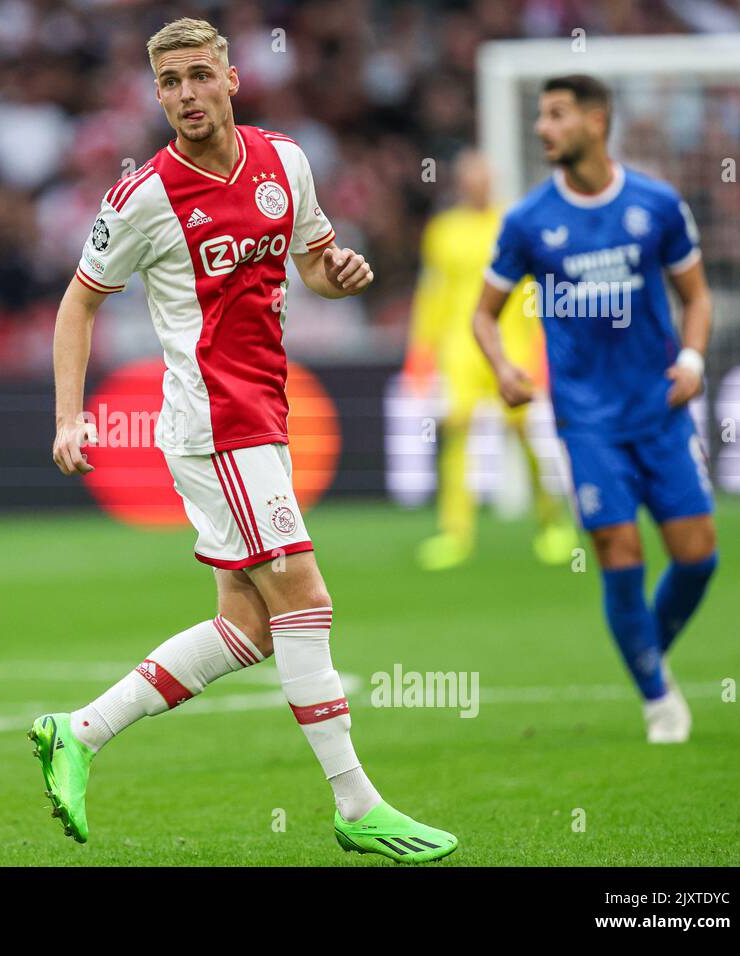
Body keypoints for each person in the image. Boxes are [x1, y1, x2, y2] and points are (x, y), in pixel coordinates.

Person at [30, 18, 458, 863]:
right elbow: (78, 302)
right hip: (211, 423)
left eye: (199, 75)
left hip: (264, 414)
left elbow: (315, 265)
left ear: (231, 77)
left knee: (250, 627)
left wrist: (342, 276)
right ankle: (357, 804)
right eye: (170, 83)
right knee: (305, 595)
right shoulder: (142, 197)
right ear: (157, 95)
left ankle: (77, 733)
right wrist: (68, 416)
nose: (186, 94)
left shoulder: (285, 163)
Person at [472, 76, 718, 744]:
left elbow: (694, 295)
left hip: (660, 407)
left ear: (596, 120)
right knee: (618, 545)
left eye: (556, 115)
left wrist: (693, 360)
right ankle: (656, 696)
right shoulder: (528, 222)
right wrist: (503, 368)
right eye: (541, 116)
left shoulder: (656, 204)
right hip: (586, 419)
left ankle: (646, 649)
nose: (542, 128)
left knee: (698, 557)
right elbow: (484, 314)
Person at [404, 149, 574, 571]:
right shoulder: (443, 231)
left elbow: (537, 289)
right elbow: (433, 294)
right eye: (470, 178)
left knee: (526, 432)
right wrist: (421, 349)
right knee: (458, 435)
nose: (477, 185)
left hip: (510, 341)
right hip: (459, 347)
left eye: (483, 177)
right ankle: (455, 532)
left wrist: (543, 347)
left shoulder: (514, 222)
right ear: (461, 183)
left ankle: (551, 521)